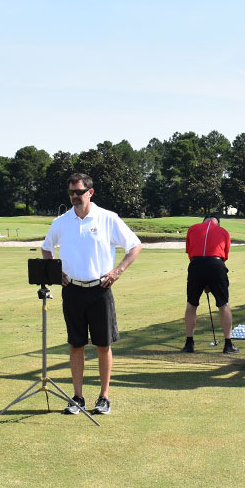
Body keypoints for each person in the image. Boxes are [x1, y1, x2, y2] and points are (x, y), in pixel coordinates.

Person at [41, 173, 142, 416]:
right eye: (71, 192)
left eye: (79, 192)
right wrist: (57, 273)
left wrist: (117, 271)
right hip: (72, 290)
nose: (75, 196)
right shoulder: (61, 222)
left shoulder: (108, 218)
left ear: (90, 192)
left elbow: (135, 246)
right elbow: (46, 248)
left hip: (100, 290)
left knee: (102, 345)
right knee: (76, 345)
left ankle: (104, 398)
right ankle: (77, 398)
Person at [182, 215, 238, 354]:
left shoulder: (193, 229)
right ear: (217, 223)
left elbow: (190, 252)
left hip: (196, 264)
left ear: (204, 221)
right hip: (216, 264)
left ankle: (189, 343)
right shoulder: (224, 232)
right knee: (223, 304)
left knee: (192, 303)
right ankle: (228, 344)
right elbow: (224, 256)